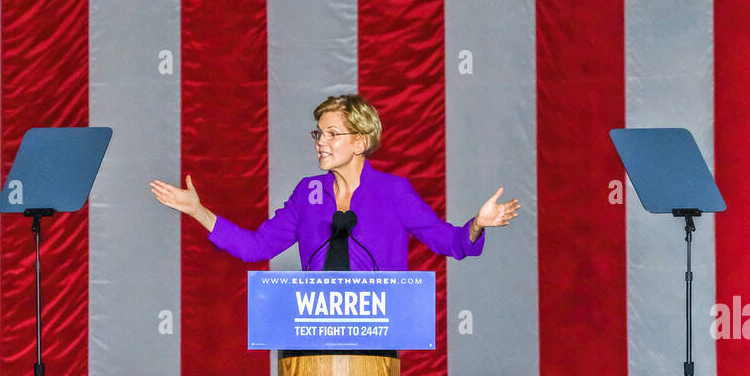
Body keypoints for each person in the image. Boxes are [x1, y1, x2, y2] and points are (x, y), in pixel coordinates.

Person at [150, 93, 519, 272]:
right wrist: (197, 211)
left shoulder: (393, 192)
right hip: (312, 336)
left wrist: (478, 224)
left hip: (376, 336)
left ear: (360, 142)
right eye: (319, 133)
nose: (321, 142)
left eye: (332, 133)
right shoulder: (308, 193)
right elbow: (255, 247)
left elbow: (450, 242)